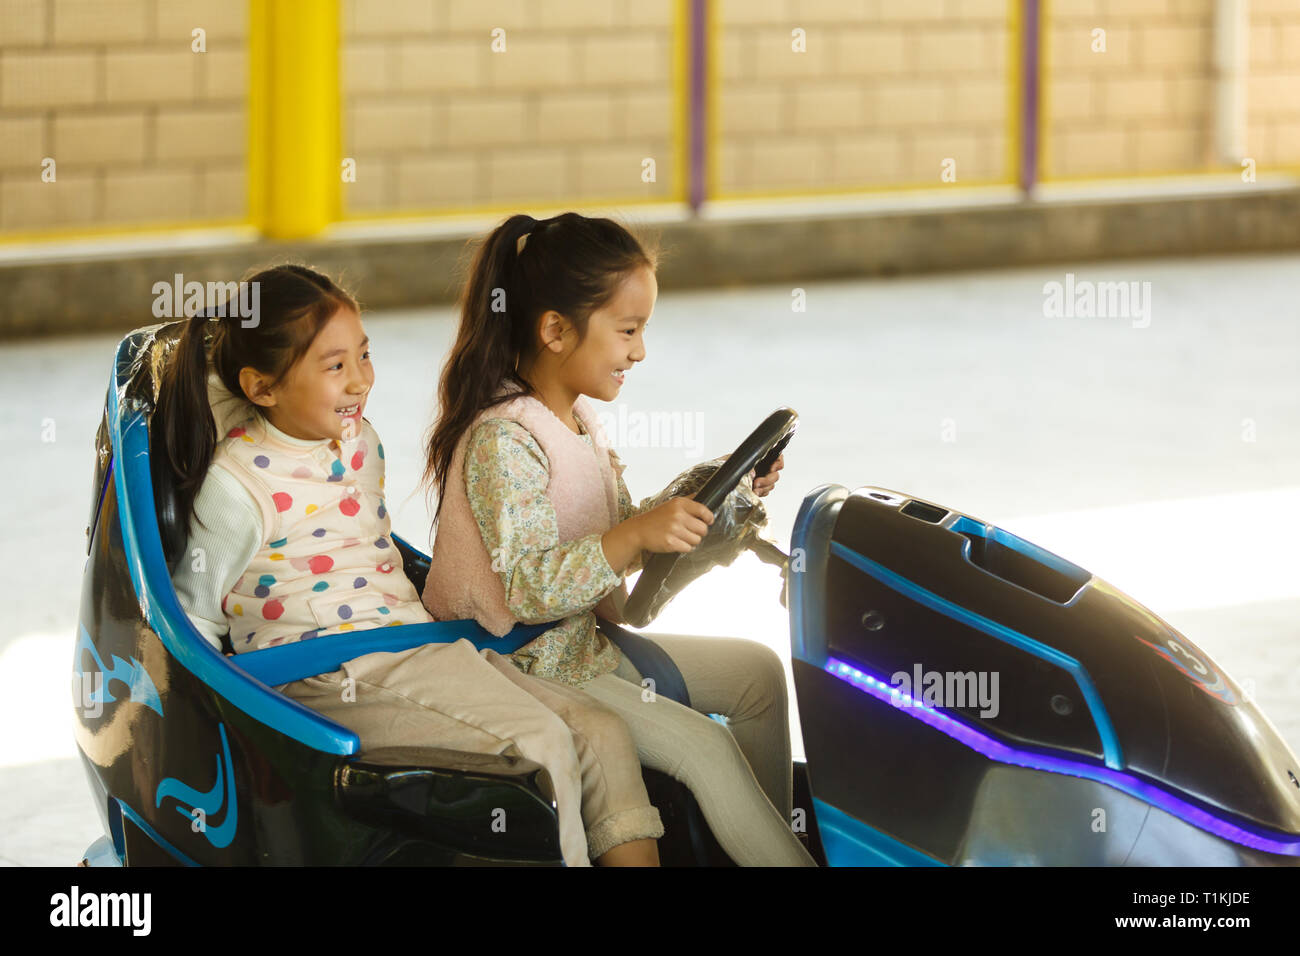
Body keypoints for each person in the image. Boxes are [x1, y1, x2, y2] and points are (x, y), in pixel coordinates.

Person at [156, 263, 663, 866]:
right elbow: (187, 617)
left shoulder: (360, 441)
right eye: (334, 366)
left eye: (363, 356)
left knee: (602, 734)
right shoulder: (237, 485)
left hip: (414, 648)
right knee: (541, 743)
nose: (359, 381)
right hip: (325, 675)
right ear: (262, 389)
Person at [422, 213, 814, 866]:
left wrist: (719, 488)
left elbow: (628, 531)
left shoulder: (578, 422)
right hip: (523, 663)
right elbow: (529, 589)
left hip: (582, 648)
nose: (639, 351)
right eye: (628, 331)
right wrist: (634, 535)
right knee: (705, 747)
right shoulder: (503, 440)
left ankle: (758, 846)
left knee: (758, 676)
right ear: (554, 330)